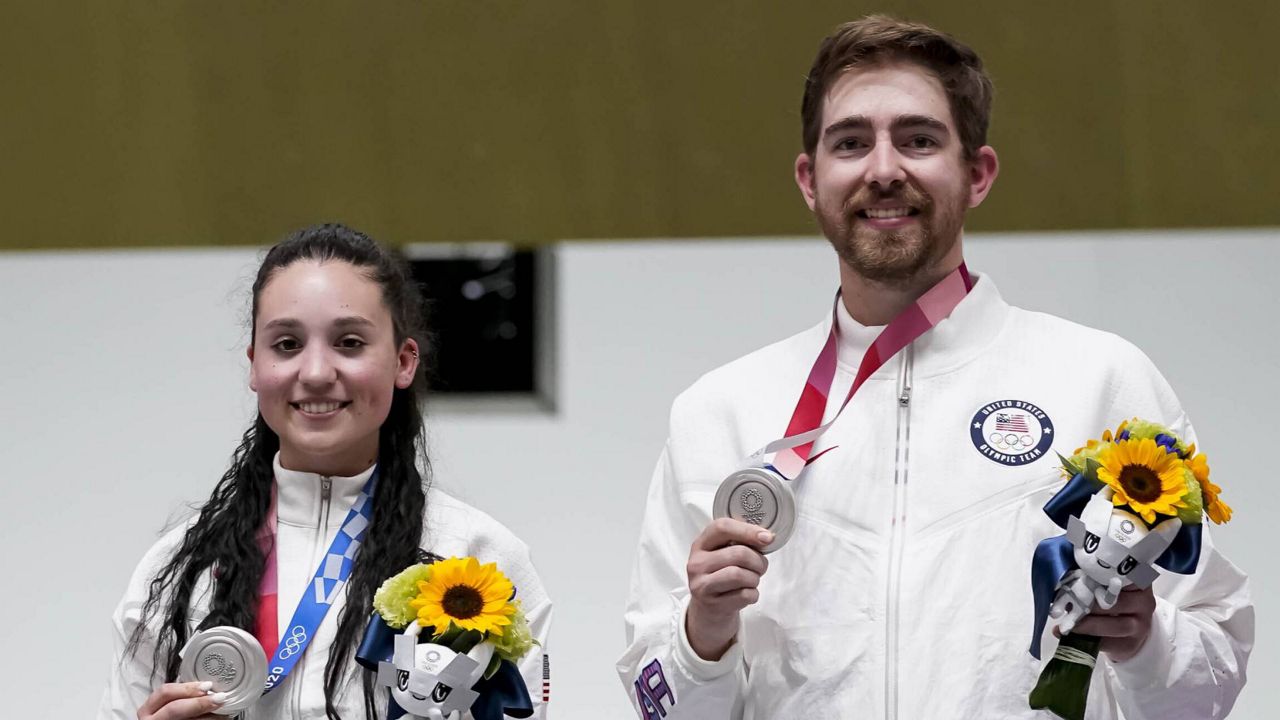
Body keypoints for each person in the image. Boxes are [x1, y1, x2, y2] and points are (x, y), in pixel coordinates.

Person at [618, 15, 1252, 720]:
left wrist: (1148, 642)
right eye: (851, 143)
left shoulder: (1099, 380)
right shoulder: (721, 411)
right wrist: (701, 639)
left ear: (976, 173)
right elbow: (661, 710)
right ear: (809, 179)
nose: (883, 169)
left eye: (918, 140)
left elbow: (1213, 678)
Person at [99, 224, 552, 719]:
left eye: (350, 342)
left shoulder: (480, 561)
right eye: (287, 344)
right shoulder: (179, 571)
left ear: (403, 362)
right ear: (254, 365)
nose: (315, 372)